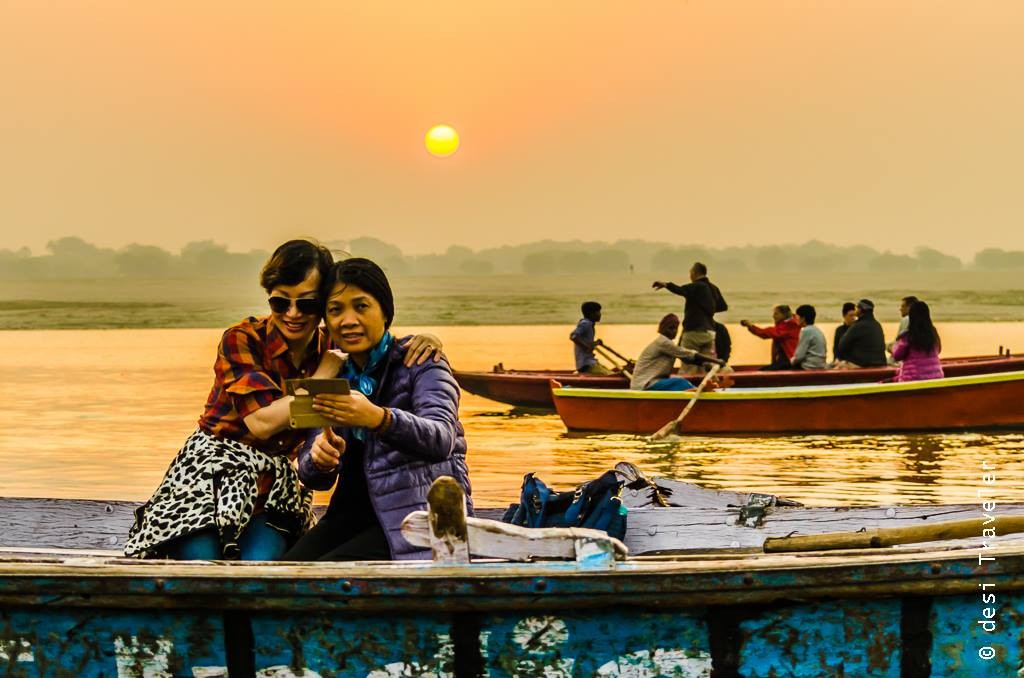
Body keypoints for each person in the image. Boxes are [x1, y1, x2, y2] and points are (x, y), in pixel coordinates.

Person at [124, 241, 442, 561]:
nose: (292, 314)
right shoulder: (244, 338)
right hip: (211, 473)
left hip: (276, 485)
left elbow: (379, 344)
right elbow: (261, 423)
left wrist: (426, 341)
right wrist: (324, 375)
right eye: (280, 303)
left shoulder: (334, 343)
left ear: (321, 305)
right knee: (202, 564)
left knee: (262, 566)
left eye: (306, 304)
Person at [282, 257, 472, 561]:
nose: (348, 320)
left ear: (385, 311)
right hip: (348, 519)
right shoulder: (334, 374)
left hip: (416, 521)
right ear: (326, 321)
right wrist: (319, 459)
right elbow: (313, 476)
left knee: (320, 577)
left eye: (361, 306)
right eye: (335, 310)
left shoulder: (421, 362)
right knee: (282, 573)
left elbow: (441, 439)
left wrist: (378, 418)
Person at [652, 262, 728, 373]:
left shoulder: (696, 286)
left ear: (694, 272)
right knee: (706, 367)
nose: (690, 276)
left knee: (688, 365)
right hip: (710, 333)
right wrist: (707, 310)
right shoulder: (714, 288)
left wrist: (665, 284)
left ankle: (688, 388)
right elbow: (723, 306)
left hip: (693, 332)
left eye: (690, 273)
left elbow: (680, 290)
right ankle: (707, 386)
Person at [630, 314, 721, 391]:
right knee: (680, 382)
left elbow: (686, 358)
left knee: (677, 382)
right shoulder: (663, 342)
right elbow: (689, 354)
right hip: (645, 384)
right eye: (670, 328)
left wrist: (703, 363)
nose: (673, 332)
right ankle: (696, 392)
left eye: (675, 329)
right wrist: (717, 361)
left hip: (651, 382)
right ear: (663, 329)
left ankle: (695, 390)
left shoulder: (667, 344)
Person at [892, 301, 943, 382]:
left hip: (912, 379)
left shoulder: (908, 334)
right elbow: (939, 350)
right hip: (936, 377)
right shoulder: (932, 332)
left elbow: (897, 355)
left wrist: (894, 346)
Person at [740, 305, 801, 371]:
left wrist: (751, 326)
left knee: (762, 372)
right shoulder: (787, 324)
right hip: (787, 359)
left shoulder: (789, 325)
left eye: (776, 314)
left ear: (784, 315)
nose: (773, 316)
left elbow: (765, 333)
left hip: (790, 359)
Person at [834, 299, 887, 368]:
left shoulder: (857, 326)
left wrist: (842, 358)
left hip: (863, 364)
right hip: (881, 363)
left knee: (839, 367)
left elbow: (841, 346)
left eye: (857, 308)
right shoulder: (877, 325)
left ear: (860, 310)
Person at [570, 301, 611, 375]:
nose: (600, 314)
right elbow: (573, 336)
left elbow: (587, 343)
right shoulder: (586, 324)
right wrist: (586, 347)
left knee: (610, 372)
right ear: (591, 314)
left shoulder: (589, 324)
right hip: (586, 363)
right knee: (610, 375)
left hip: (590, 361)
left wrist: (596, 343)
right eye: (598, 312)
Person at [791, 305, 827, 370]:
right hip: (820, 365)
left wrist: (791, 361)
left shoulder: (806, 331)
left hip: (809, 366)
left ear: (803, 318)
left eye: (797, 317)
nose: (796, 319)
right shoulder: (817, 330)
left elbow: (799, 356)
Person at [887, 295, 919, 360]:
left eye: (903, 306)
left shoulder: (907, 319)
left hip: (906, 360)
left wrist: (888, 347)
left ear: (909, 307)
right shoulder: (923, 321)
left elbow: (900, 344)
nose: (900, 309)